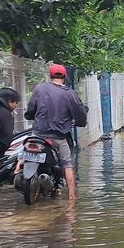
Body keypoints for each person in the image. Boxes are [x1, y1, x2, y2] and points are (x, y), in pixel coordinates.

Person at [24, 63, 88, 201]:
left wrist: (30, 115)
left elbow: (31, 108)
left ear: (50, 75)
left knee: (24, 154)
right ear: (65, 77)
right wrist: (81, 122)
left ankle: (18, 169)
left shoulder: (39, 88)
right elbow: (79, 113)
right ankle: (72, 197)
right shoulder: (70, 94)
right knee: (67, 164)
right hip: (58, 137)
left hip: (38, 133)